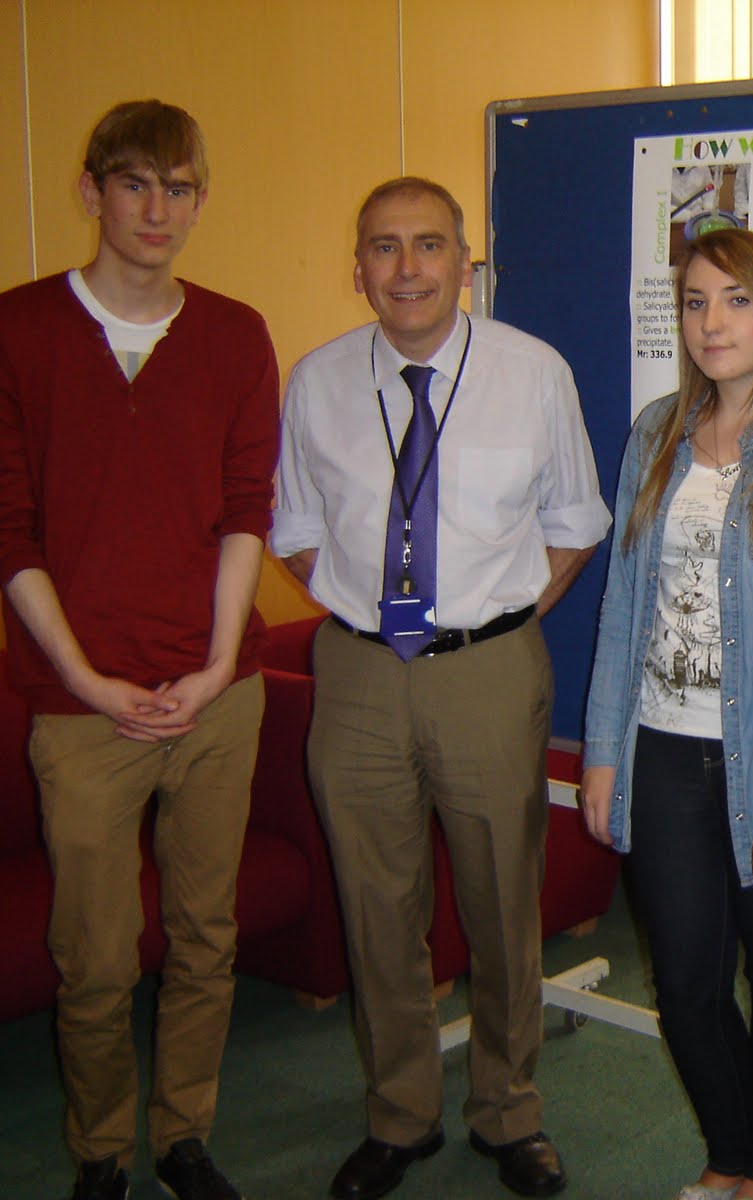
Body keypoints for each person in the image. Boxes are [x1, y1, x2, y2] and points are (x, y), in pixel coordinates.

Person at [271, 176, 610, 1200]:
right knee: (376, 906)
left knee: (504, 900)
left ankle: (508, 1111)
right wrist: (373, 619)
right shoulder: (318, 380)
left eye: (428, 246)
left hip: (491, 669)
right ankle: (400, 1114)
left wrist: (501, 621)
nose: (406, 268)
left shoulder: (530, 372)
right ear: (358, 266)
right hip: (360, 676)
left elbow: (575, 520)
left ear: (466, 264)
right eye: (383, 247)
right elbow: (293, 530)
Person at [0, 100, 279, 1200]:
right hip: (79, 703)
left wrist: (214, 669)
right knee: (97, 958)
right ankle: (102, 1151)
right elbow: (8, 528)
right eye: (134, 185)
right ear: (91, 193)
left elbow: (246, 512)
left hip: (218, 690)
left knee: (207, 935)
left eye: (179, 188)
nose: (157, 210)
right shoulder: (19, 330)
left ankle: (183, 1136)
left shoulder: (233, 332)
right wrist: (81, 678)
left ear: (201, 200)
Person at [580, 228, 753, 1200]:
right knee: (683, 986)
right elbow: (621, 605)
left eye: (734, 300)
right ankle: (727, 1156)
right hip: (661, 748)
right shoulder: (655, 432)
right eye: (694, 301)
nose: (712, 322)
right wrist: (602, 751)